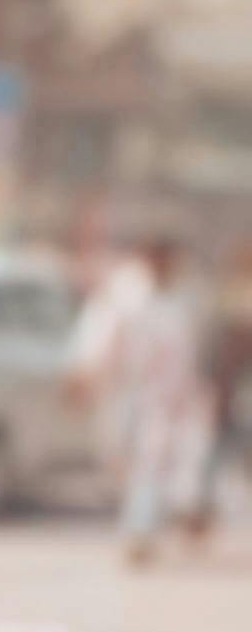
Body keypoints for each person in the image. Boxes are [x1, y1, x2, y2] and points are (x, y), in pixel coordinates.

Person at [77, 236, 216, 562]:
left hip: (178, 399)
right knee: (129, 460)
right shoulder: (127, 295)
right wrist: (89, 374)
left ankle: (143, 529)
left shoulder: (189, 299)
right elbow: (103, 339)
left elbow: (202, 348)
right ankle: (173, 515)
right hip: (132, 393)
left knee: (159, 464)